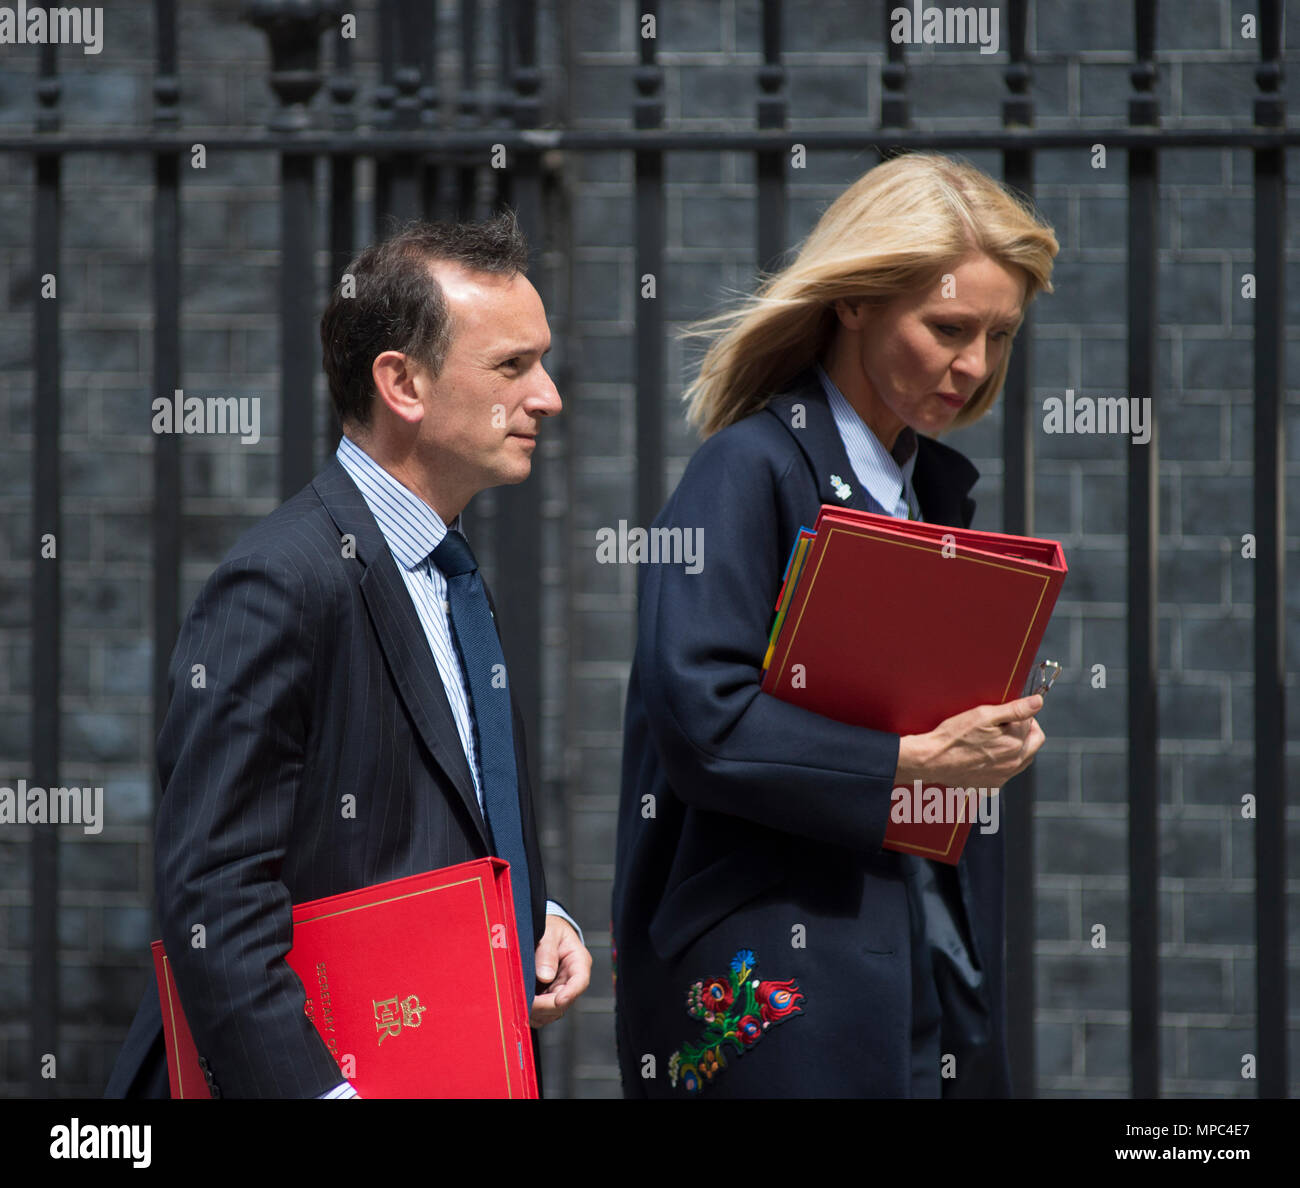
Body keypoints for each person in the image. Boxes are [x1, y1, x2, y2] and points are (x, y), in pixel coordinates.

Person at [106, 211, 591, 1098]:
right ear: (402, 383)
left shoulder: (448, 567)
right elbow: (213, 896)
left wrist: (533, 916)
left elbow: (445, 810)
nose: (549, 395)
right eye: (513, 366)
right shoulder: (277, 581)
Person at [612, 152, 1059, 1098]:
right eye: (947, 327)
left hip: (926, 968)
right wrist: (913, 761)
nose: (974, 366)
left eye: (999, 335)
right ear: (852, 301)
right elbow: (706, 724)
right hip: (781, 980)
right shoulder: (746, 470)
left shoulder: (925, 495)